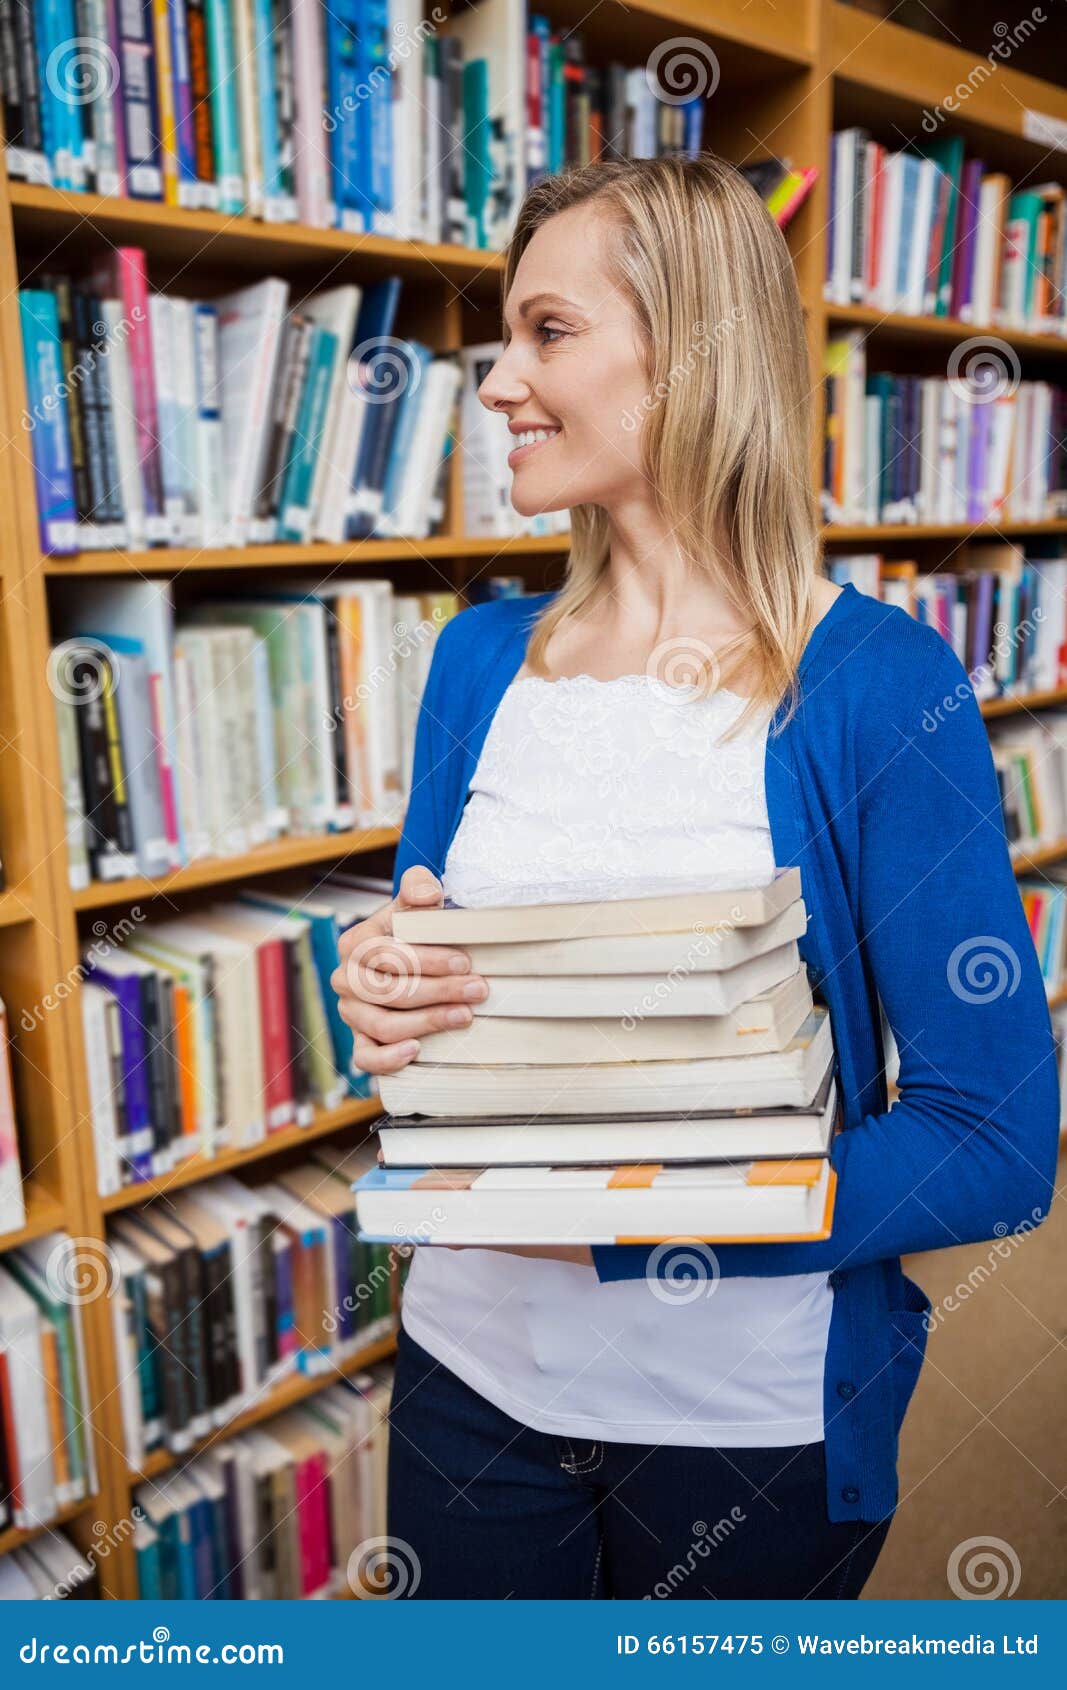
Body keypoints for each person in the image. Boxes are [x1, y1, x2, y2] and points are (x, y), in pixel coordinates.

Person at [331, 154, 1059, 1600]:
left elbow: (995, 1138)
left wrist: (641, 1213)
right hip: (471, 1378)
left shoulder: (870, 684)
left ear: (695, 350)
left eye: (547, 331)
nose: (495, 381)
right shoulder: (479, 659)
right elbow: (430, 1020)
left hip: (746, 1431)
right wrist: (387, 995)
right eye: (502, 336)